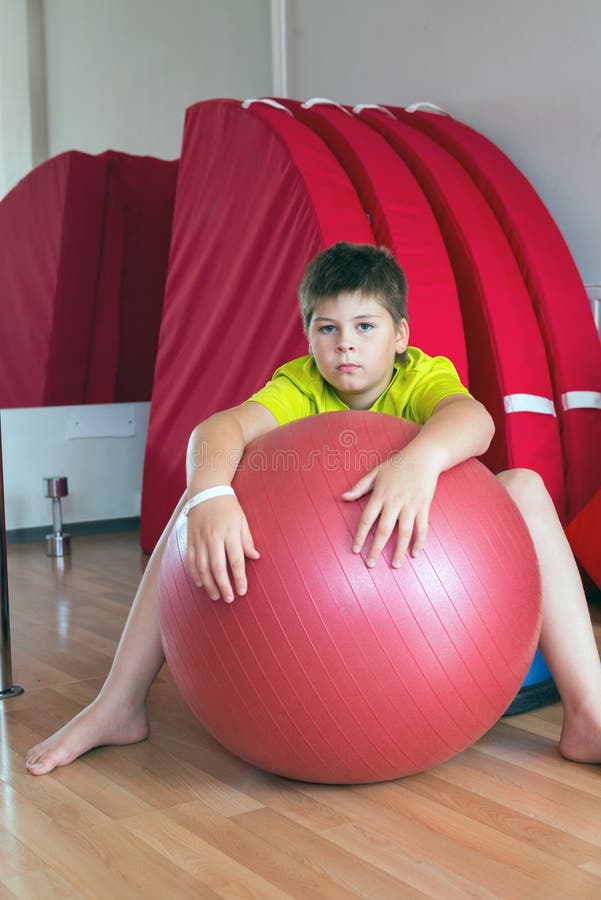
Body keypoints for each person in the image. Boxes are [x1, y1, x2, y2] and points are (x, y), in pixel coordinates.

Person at [25, 242, 601, 775]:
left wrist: (416, 462)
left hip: (441, 554)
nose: (345, 343)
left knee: (524, 483)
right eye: (328, 328)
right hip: (323, 583)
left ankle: (589, 715)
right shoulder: (300, 387)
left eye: (365, 326)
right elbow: (217, 430)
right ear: (308, 337)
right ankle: (118, 702)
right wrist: (209, 496)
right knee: (194, 501)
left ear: (400, 335)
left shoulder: (421, 372)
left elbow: (475, 420)